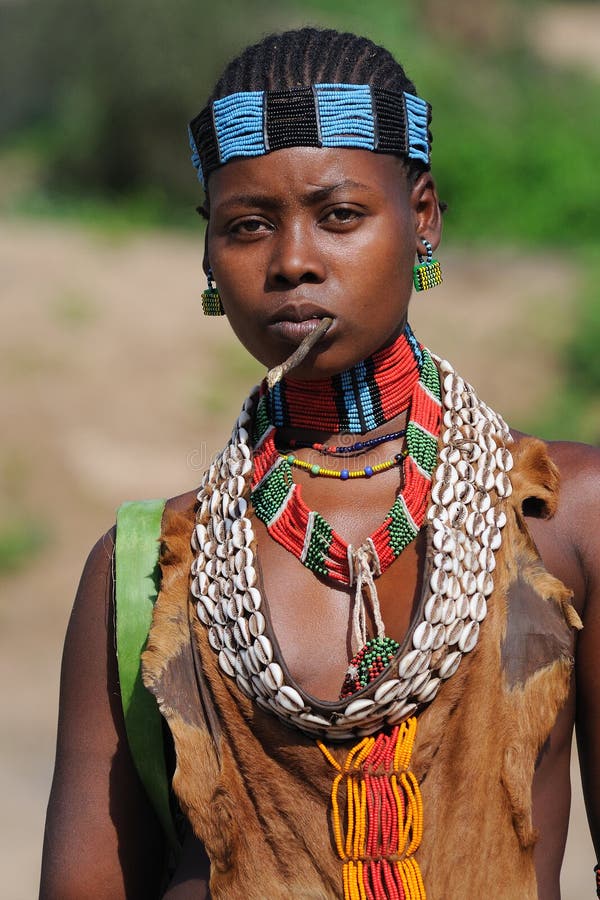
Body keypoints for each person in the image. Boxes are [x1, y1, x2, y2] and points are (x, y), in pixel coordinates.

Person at [40, 27, 600, 900]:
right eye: (247, 226)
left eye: (340, 216)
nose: (293, 261)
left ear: (423, 218)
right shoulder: (150, 568)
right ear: (208, 256)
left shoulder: (563, 514)